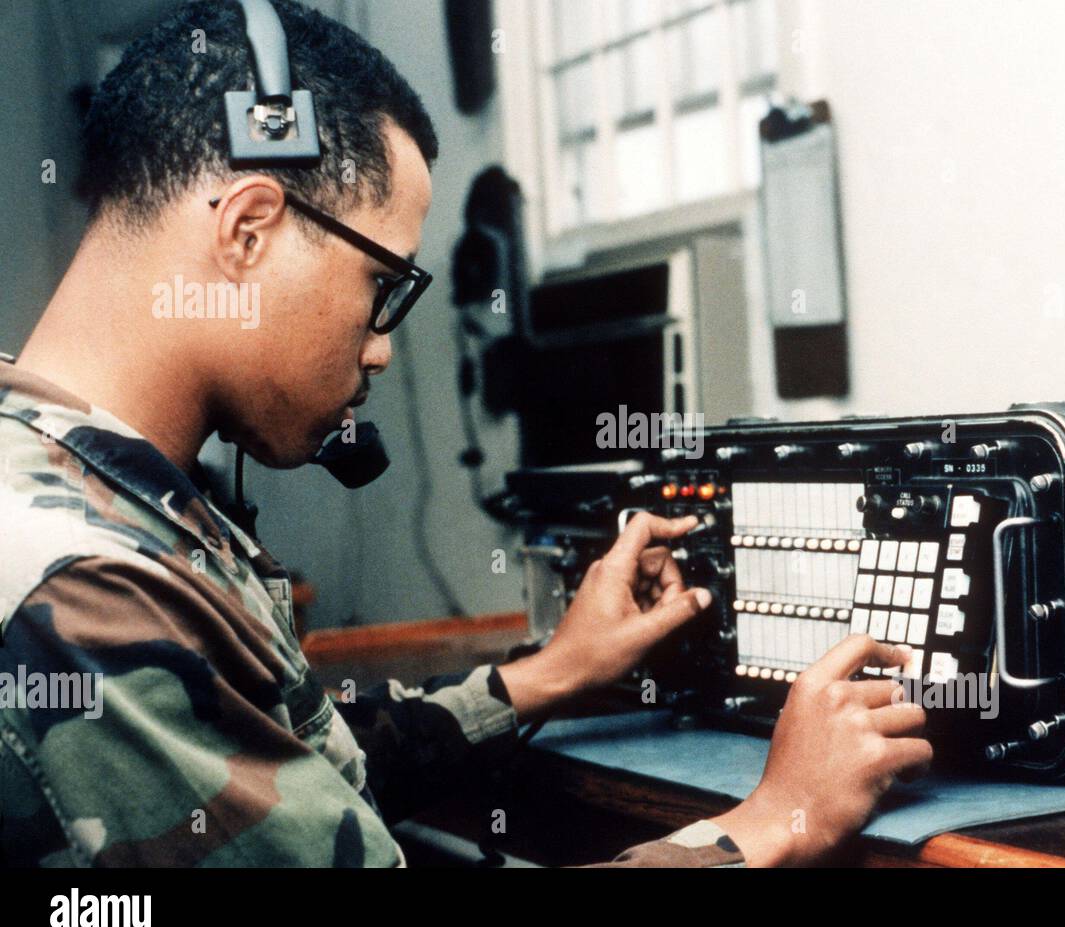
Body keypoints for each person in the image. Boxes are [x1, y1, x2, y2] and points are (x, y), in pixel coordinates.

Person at [0, 0, 931, 868]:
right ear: (247, 230)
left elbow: (288, 772)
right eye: (384, 289)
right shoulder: (83, 594)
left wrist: (547, 674)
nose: (381, 352)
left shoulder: (85, 491)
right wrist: (762, 825)